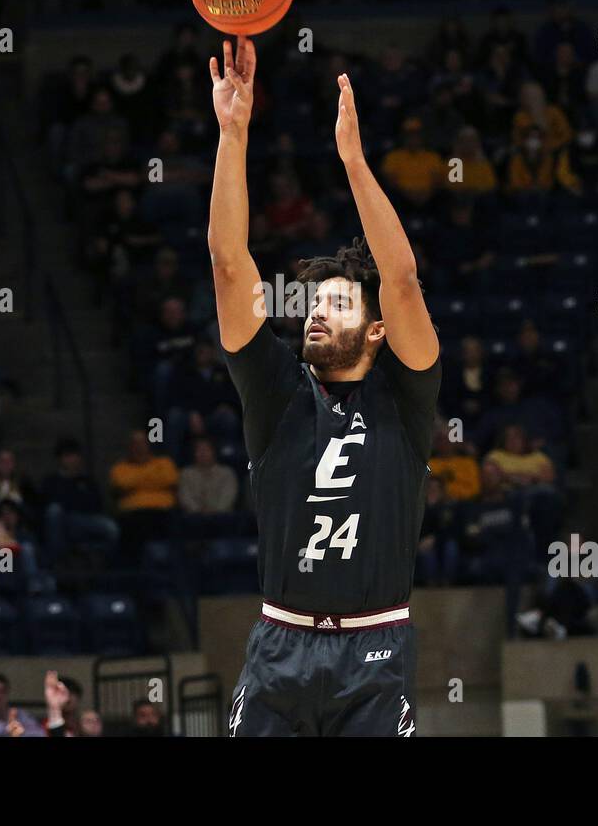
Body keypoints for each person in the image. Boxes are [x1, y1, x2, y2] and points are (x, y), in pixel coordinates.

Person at [208, 38, 440, 737]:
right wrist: (233, 134)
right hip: (279, 648)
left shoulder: (404, 396)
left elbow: (399, 280)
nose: (316, 310)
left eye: (338, 304)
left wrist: (354, 163)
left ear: (375, 332)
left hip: (375, 652)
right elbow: (227, 263)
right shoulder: (277, 393)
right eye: (313, 303)